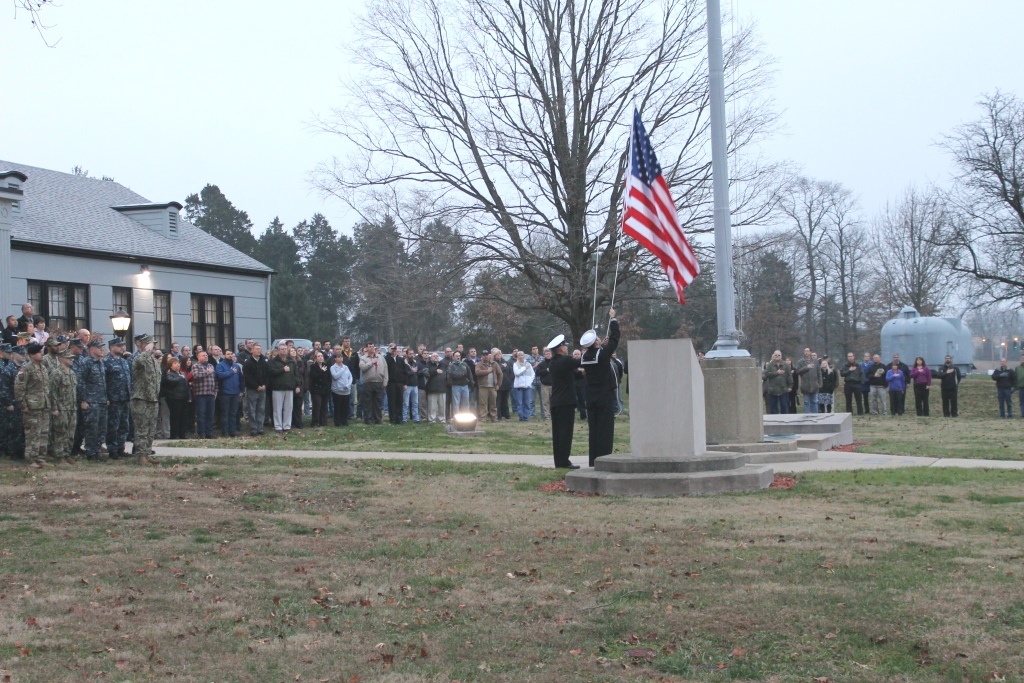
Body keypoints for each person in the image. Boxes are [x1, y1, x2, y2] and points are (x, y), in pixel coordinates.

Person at [579, 309, 620, 466]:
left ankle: (593, 460)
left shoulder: (584, 357)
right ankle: (604, 459)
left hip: (590, 395)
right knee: (605, 428)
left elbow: (596, 352)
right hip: (604, 395)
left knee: (594, 429)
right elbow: (616, 338)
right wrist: (613, 319)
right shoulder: (602, 354)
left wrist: (601, 345)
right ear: (596, 342)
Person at [545, 334, 580, 470]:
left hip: (556, 401)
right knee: (566, 433)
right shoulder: (565, 360)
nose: (566, 348)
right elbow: (581, 362)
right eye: (565, 345)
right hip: (565, 402)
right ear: (560, 348)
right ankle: (564, 461)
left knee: (558, 434)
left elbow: (572, 374)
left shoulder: (554, 362)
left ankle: (559, 460)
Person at [14, 342, 51, 468]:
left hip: (44, 404)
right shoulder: (26, 368)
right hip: (32, 405)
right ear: (31, 355)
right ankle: (31, 458)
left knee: (43, 432)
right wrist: (23, 404)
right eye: (38, 352)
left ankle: (41, 457)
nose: (41, 354)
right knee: (32, 432)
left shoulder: (43, 367)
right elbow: (19, 388)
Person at [79, 340, 108, 461]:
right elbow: (81, 382)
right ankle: (91, 453)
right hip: (91, 401)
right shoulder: (86, 362)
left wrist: (106, 398)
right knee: (92, 428)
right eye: (99, 347)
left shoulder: (100, 362)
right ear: (91, 350)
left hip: (101, 400)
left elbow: (103, 382)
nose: (102, 349)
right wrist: (83, 400)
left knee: (101, 428)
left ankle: (97, 451)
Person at [103, 338, 132, 460]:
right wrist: (106, 397)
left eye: (123, 346)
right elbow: (104, 381)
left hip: (125, 398)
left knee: (124, 425)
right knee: (113, 426)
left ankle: (121, 448)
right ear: (112, 347)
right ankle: (112, 449)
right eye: (119, 346)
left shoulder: (124, 361)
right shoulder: (106, 361)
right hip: (113, 399)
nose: (122, 348)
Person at [47, 349, 77, 463]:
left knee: (70, 432)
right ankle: (59, 456)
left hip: (72, 407)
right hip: (61, 408)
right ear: (61, 359)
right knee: (60, 432)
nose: (71, 360)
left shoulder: (72, 373)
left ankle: (67, 453)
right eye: (69, 358)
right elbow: (52, 391)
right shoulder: (57, 373)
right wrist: (54, 408)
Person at [269, 344, 298, 433]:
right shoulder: (273, 361)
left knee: (288, 408)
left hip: (289, 387)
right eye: (282, 349)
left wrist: (297, 385)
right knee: (277, 408)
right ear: (278, 350)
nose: (284, 351)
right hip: (277, 388)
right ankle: (278, 426)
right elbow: (271, 372)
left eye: (285, 349)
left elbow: (295, 374)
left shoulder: (291, 361)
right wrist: (282, 370)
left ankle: (287, 426)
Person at [161, 357, 191, 439]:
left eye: (178, 363)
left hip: (184, 397)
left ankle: (182, 434)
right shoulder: (169, 373)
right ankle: (174, 434)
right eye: (174, 363)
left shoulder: (182, 373)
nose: (177, 365)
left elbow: (187, 386)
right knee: (175, 417)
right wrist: (180, 377)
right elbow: (171, 381)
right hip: (174, 398)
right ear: (170, 366)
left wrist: (189, 396)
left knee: (183, 416)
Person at [242, 343, 269, 436]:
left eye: (260, 349)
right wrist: (256, 386)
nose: (259, 350)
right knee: (252, 410)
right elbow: (247, 377)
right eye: (257, 349)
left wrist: (265, 385)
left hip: (263, 389)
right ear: (252, 350)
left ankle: (260, 428)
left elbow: (267, 375)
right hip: (252, 389)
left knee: (261, 409)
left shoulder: (264, 361)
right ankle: (253, 428)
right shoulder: (248, 362)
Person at [215, 350, 244, 436]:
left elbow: (240, 378)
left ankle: (232, 431)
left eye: (231, 354)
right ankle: (225, 431)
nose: (230, 355)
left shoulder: (236, 366)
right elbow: (219, 375)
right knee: (225, 413)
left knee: (233, 413)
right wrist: (230, 372)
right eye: (228, 354)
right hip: (225, 392)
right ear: (224, 355)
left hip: (235, 392)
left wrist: (241, 390)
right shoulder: (220, 365)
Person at [359, 343, 388, 424]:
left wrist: (385, 381)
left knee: (378, 402)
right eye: (370, 346)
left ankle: (378, 419)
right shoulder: (363, 358)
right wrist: (371, 362)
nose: (371, 348)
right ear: (366, 348)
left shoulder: (380, 357)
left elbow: (385, 369)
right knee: (368, 402)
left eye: (373, 346)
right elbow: (362, 368)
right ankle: (368, 419)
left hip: (379, 382)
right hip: (368, 383)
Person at [191, 351, 218, 438]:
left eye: (206, 355)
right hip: (201, 394)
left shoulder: (210, 366)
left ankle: (209, 432)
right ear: (198, 357)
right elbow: (196, 376)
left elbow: (215, 379)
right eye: (203, 355)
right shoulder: (196, 366)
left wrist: (216, 390)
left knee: (210, 414)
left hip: (211, 393)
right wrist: (207, 372)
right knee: (201, 414)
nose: (205, 356)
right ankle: (201, 433)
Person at [762, 350, 791, 415]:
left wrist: (790, 386)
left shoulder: (785, 365)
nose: (777, 356)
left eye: (779, 355)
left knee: (784, 407)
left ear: (781, 356)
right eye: (776, 355)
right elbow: (767, 374)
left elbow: (789, 376)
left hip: (783, 389)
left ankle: (785, 422)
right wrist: (777, 373)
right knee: (773, 409)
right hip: (772, 389)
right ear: (773, 356)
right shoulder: (770, 365)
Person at [474, 350, 501, 421]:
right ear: (482, 356)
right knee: (483, 403)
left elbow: (500, 374)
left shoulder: (494, 364)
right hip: (483, 386)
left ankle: (494, 416)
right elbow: (477, 372)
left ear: (489, 355)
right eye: (484, 355)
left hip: (493, 386)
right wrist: (488, 371)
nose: (485, 356)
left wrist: (498, 384)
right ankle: (483, 417)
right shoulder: (479, 364)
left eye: (486, 355)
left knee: (493, 403)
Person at [307, 351, 332, 427]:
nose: (320, 357)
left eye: (321, 356)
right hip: (316, 389)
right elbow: (314, 377)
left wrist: (328, 386)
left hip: (325, 389)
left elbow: (329, 377)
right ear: (315, 358)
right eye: (318, 356)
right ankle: (315, 422)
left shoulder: (326, 365)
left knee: (324, 406)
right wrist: (321, 371)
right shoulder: (313, 367)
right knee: (317, 405)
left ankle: (323, 422)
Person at [794, 348, 821, 414]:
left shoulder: (815, 361)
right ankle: (807, 417)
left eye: (807, 351)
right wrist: (806, 367)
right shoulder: (800, 362)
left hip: (815, 385)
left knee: (815, 401)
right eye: (805, 351)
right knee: (806, 402)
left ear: (810, 352)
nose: (806, 352)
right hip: (805, 386)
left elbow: (819, 373)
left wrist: (820, 384)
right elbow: (797, 371)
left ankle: (815, 416)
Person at [330, 352, 353, 427]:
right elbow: (335, 376)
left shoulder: (346, 366)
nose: (340, 358)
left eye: (341, 357)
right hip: (337, 391)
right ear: (335, 359)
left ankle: (344, 420)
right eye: (339, 357)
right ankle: (337, 421)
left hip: (346, 390)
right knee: (337, 407)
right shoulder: (333, 367)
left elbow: (350, 377)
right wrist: (342, 370)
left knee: (345, 407)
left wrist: (348, 384)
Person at [424, 352, 447, 424]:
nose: (435, 357)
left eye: (437, 356)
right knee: (432, 406)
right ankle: (431, 419)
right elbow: (426, 374)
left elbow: (446, 374)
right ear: (431, 358)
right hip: (432, 389)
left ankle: (442, 419)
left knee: (442, 406)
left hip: (442, 388)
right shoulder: (428, 365)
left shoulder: (442, 365)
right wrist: (435, 371)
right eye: (434, 356)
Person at [512, 351, 535, 421]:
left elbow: (532, 374)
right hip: (519, 386)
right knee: (520, 402)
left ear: (524, 356)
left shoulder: (529, 364)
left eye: (522, 355)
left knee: (527, 402)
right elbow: (517, 373)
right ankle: (521, 416)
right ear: (517, 357)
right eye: (519, 355)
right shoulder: (515, 364)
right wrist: (524, 367)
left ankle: (526, 416)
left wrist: (529, 382)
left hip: (527, 386)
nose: (521, 356)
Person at [400, 348, 420, 423]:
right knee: (405, 403)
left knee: (415, 403)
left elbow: (417, 372)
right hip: (408, 385)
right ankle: (404, 418)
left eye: (412, 354)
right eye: (410, 354)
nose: (411, 355)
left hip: (415, 385)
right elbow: (405, 373)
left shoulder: (414, 362)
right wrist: (412, 371)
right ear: (407, 354)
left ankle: (416, 418)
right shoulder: (404, 363)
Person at [494, 349, 513, 420]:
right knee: (498, 401)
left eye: (500, 354)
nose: (499, 355)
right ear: (495, 356)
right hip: (499, 385)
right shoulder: (494, 363)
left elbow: (511, 372)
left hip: (506, 384)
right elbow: (498, 370)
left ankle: (506, 414)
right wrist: (503, 367)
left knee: (505, 401)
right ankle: (499, 415)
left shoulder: (506, 362)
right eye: (497, 354)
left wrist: (509, 379)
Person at [535, 348, 553, 420]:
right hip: (545, 385)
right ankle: (547, 415)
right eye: (546, 354)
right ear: (544, 355)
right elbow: (537, 373)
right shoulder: (542, 364)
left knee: (554, 401)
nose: (548, 355)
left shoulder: (554, 362)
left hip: (554, 384)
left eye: (549, 354)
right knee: (545, 401)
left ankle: (554, 414)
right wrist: (546, 370)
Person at [572, 349, 587, 419]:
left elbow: (586, 371)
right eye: (575, 354)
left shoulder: (584, 362)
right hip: (573, 383)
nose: (577, 355)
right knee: (575, 400)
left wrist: (582, 371)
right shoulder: (571, 363)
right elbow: (574, 372)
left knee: (582, 399)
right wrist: (580, 371)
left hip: (583, 383)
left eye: (578, 354)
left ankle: (583, 415)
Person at [1017, 353, 1024, 419]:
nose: (1023, 359)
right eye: (1022, 358)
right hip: (1021, 387)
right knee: (1021, 401)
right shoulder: (1017, 368)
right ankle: (1023, 414)